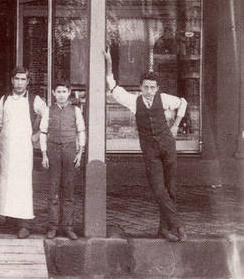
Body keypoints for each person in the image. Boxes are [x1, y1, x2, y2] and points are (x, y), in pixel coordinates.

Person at [104, 47, 187, 241]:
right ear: (140, 87)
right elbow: (112, 85)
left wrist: (175, 126)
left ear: (157, 88)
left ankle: (164, 230)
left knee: (170, 190)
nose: (149, 91)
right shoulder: (133, 102)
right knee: (159, 190)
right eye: (146, 87)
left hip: (168, 147)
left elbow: (183, 102)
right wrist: (109, 62)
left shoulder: (164, 99)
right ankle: (178, 226)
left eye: (152, 87)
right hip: (150, 152)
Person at [0, 66, 47, 238]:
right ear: (12, 80)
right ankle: (9, 220)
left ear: (28, 81)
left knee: (23, 184)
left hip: (24, 149)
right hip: (6, 148)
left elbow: (48, 116)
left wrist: (38, 134)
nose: (19, 83)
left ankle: (24, 224)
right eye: (16, 79)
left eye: (23, 79)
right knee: (6, 183)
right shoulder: (4, 99)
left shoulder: (34, 99)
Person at [40, 78, 86, 240]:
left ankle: (68, 227)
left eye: (64, 92)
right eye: (58, 92)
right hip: (53, 150)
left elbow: (81, 131)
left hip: (69, 150)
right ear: (53, 93)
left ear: (69, 93)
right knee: (53, 190)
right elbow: (43, 132)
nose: (61, 95)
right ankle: (52, 226)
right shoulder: (48, 110)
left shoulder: (75, 111)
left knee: (69, 190)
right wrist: (44, 154)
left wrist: (80, 153)